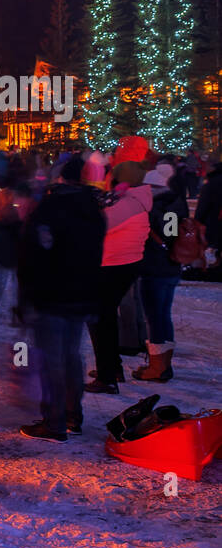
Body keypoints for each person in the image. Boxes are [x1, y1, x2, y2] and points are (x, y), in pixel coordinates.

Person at [16, 155, 106, 441]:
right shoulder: (93, 209)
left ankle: (54, 422)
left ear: (62, 177)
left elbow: (32, 253)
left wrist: (26, 295)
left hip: (51, 293)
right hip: (81, 292)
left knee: (51, 359)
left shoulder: (51, 207)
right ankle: (72, 415)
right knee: (71, 356)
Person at [86, 161, 152, 393]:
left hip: (114, 265)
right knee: (105, 317)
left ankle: (107, 377)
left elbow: (98, 225)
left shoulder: (128, 203)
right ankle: (112, 368)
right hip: (121, 263)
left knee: (99, 319)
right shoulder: (131, 198)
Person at [134, 164, 189, 382]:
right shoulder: (176, 202)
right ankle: (163, 364)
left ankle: (158, 367)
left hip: (156, 268)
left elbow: (168, 234)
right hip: (171, 267)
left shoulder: (161, 207)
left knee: (155, 317)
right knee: (163, 315)